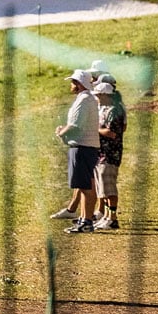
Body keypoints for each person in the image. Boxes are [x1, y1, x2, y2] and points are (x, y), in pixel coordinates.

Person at [54, 69, 102, 233]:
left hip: (83, 147)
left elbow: (76, 124)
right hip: (86, 146)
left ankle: (87, 221)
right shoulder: (88, 99)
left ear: (79, 84)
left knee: (86, 187)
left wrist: (61, 132)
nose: (71, 85)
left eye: (73, 82)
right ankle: (83, 218)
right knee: (84, 185)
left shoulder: (84, 100)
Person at [92, 80, 126, 230]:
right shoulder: (104, 108)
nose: (97, 97)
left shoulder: (114, 111)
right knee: (103, 189)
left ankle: (113, 218)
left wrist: (95, 129)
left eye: (99, 95)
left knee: (109, 188)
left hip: (110, 154)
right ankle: (106, 216)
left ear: (106, 95)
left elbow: (112, 133)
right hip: (102, 153)